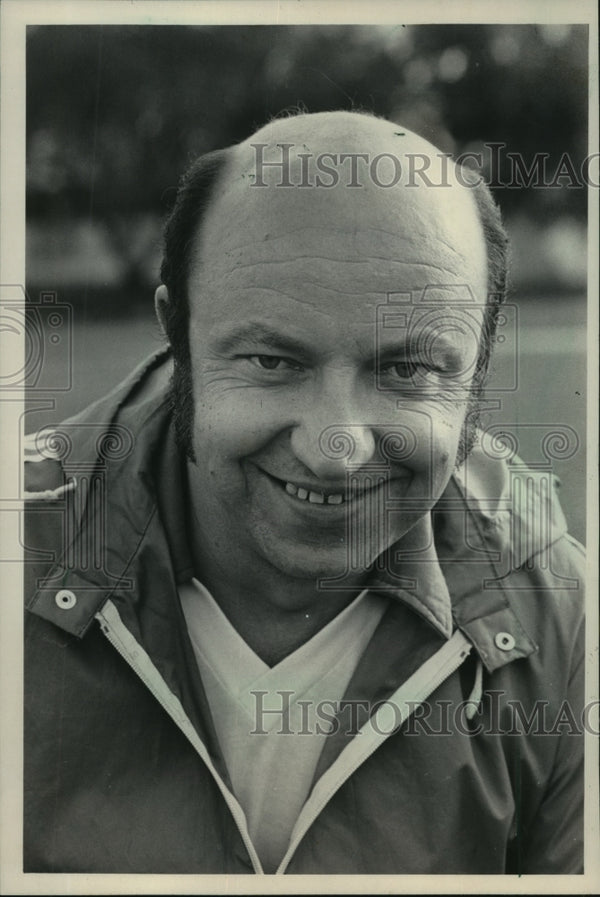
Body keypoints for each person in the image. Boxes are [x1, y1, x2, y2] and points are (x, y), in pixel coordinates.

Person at [23, 111, 584, 875]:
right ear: (177, 338)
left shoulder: (561, 615)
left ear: (477, 374)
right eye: (271, 360)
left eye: (407, 370)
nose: (336, 448)